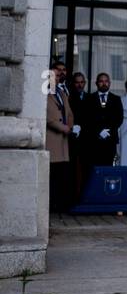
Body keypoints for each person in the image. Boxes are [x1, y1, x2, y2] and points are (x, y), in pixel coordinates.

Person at [46, 59, 75, 212]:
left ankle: (60, 204)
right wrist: (62, 127)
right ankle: (51, 205)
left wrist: (69, 126)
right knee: (51, 174)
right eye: (54, 76)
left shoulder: (61, 92)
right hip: (52, 138)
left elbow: (69, 112)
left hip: (63, 140)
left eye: (58, 77)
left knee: (61, 174)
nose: (56, 79)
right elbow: (48, 117)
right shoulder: (44, 92)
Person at [79, 73, 123, 167]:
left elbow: (119, 118)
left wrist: (108, 130)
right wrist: (98, 131)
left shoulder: (116, 99)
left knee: (108, 168)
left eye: (106, 81)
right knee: (93, 168)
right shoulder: (88, 99)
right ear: (96, 83)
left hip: (110, 140)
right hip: (93, 140)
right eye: (101, 81)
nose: (104, 83)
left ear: (110, 83)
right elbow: (85, 119)